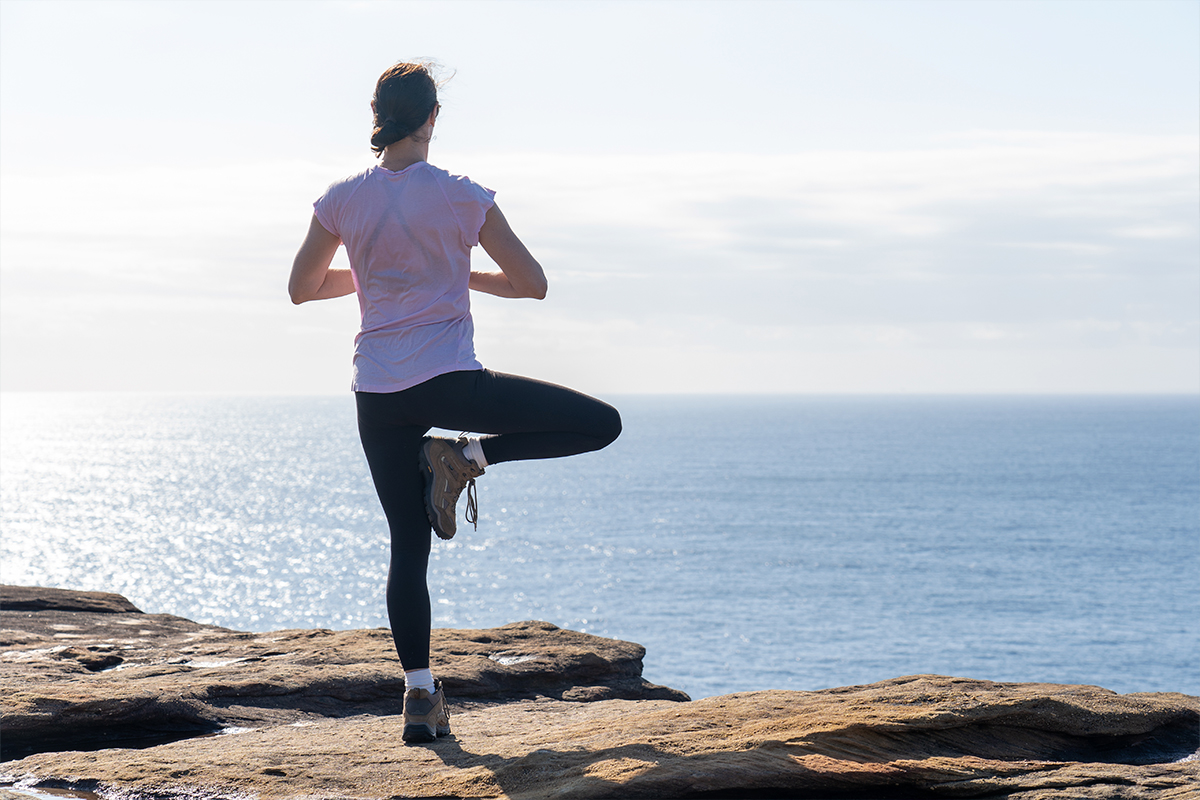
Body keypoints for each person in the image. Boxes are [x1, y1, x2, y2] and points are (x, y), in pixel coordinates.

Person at [287, 61, 621, 744]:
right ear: (433, 117)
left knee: (408, 545)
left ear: (377, 113)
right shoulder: (462, 195)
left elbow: (302, 287)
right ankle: (465, 453)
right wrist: (450, 270)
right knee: (600, 424)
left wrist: (380, 276)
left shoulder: (341, 198)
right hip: (448, 381)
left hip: (377, 393)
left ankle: (417, 697)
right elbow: (532, 284)